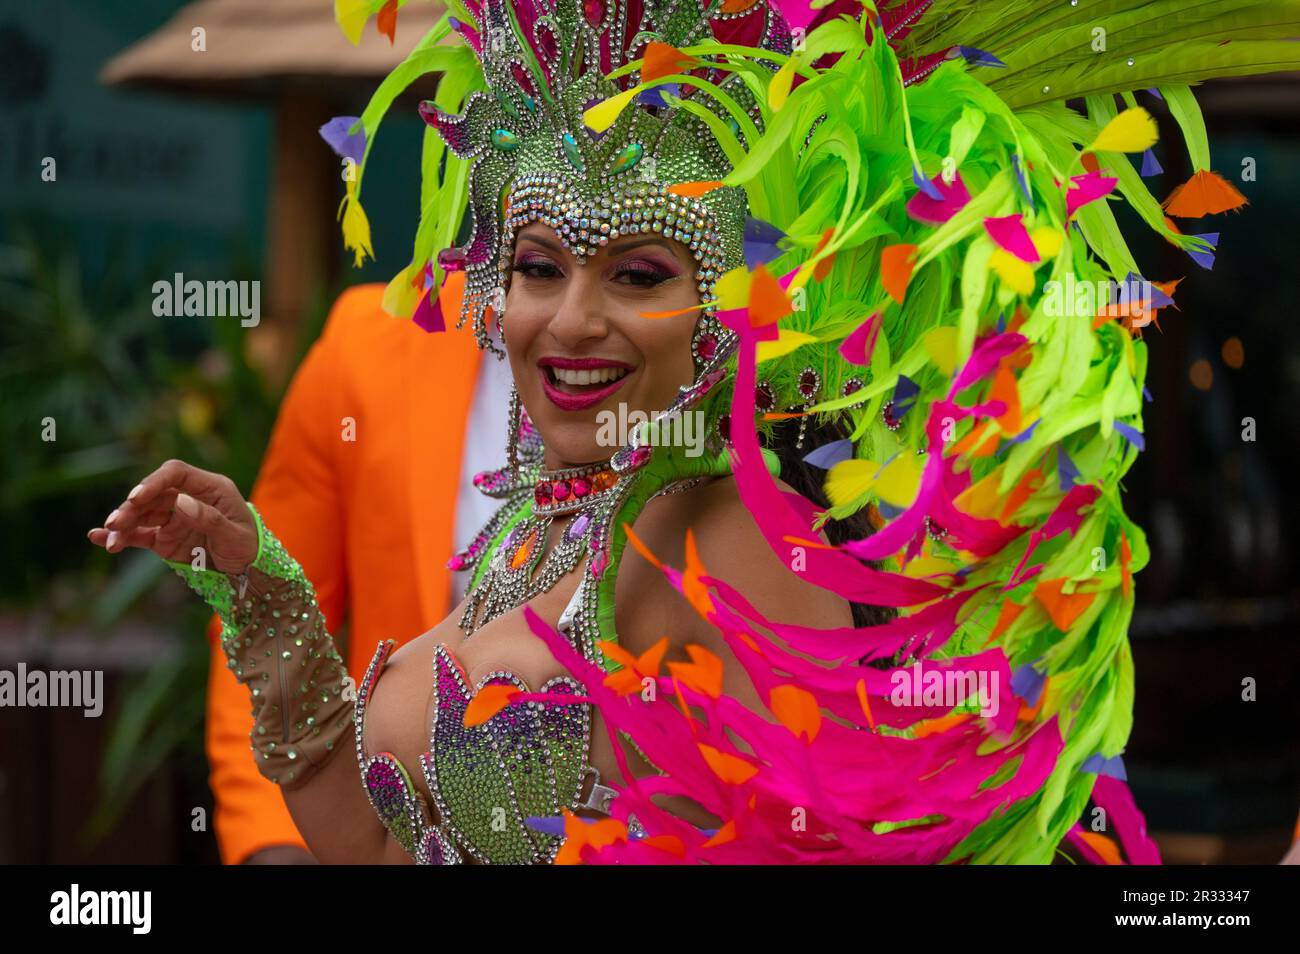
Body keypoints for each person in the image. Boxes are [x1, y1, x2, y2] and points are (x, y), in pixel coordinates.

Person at [89, 0, 1300, 864]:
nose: (569, 319)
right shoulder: (550, 525)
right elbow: (377, 841)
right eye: (538, 264)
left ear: (734, 309)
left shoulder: (727, 541)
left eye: (639, 273)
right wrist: (268, 600)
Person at [201, 283, 514, 864]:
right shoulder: (371, 342)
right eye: (542, 267)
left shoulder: (723, 373)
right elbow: (268, 609)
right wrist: (274, 843)